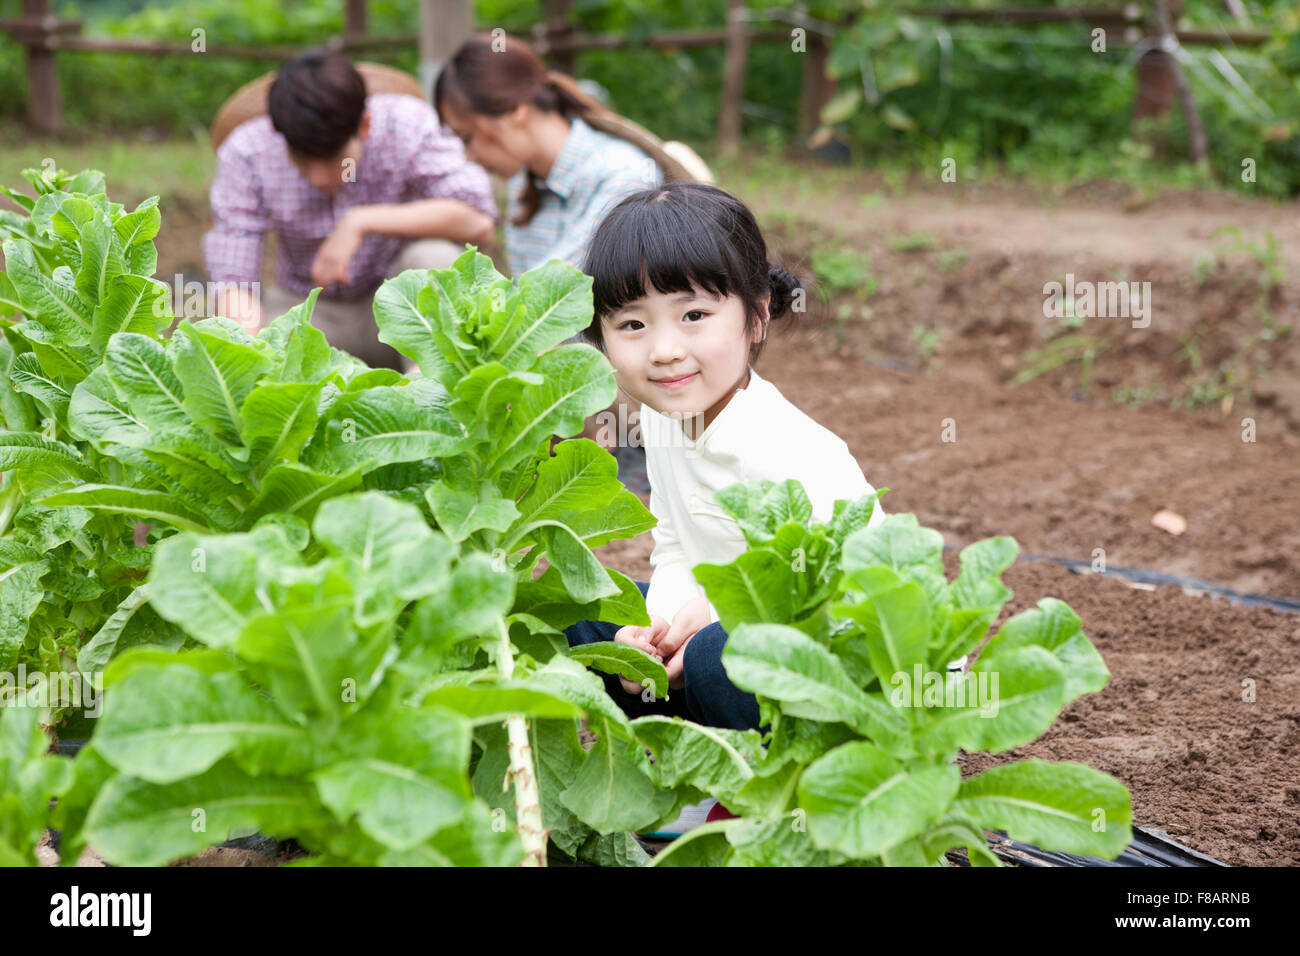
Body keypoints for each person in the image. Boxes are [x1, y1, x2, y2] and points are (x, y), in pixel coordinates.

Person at [563, 182, 887, 733]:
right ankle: (698, 746)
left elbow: (830, 599)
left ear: (756, 316)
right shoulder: (664, 423)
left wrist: (711, 621)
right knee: (588, 619)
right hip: (742, 640)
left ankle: (767, 781)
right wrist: (661, 627)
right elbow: (675, 545)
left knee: (718, 658)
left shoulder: (785, 447)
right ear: (602, 339)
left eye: (693, 315)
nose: (665, 350)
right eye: (633, 325)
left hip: (861, 676)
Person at [433, 33, 663, 488]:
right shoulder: (526, 184)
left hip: (633, 372)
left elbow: (554, 300)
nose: (468, 156)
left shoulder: (621, 174)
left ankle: (631, 453)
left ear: (515, 111)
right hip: (571, 373)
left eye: (467, 137)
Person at [205, 50, 498, 369]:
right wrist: (247, 356)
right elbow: (235, 279)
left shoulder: (406, 125)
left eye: (334, 161)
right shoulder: (248, 151)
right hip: (309, 313)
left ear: (366, 125)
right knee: (271, 351)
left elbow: (478, 221)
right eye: (302, 163)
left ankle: (434, 395)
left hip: (398, 307)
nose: (318, 179)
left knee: (436, 258)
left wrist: (361, 221)